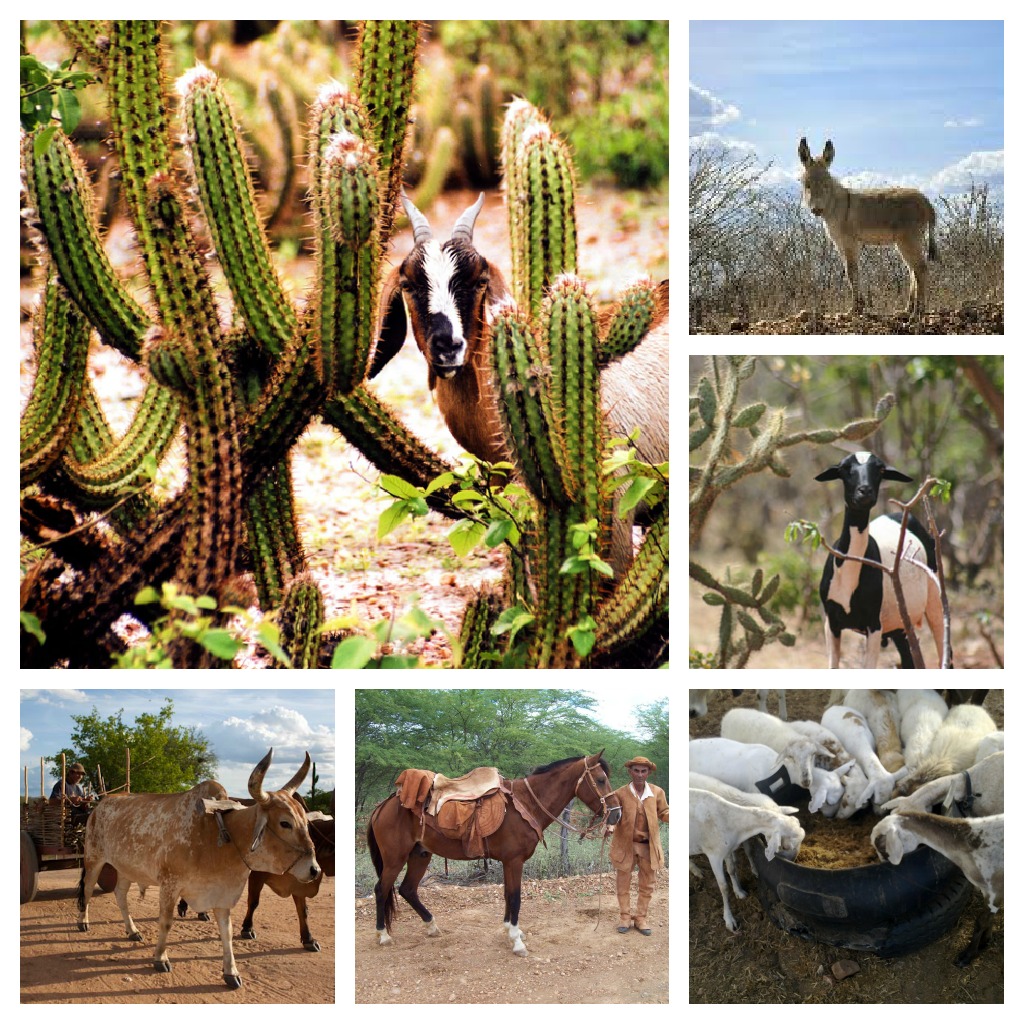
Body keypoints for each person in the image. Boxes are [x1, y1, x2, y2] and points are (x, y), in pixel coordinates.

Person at [608, 755, 669, 936]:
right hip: (625, 846)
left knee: (647, 884)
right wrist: (609, 826)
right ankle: (625, 917)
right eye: (636, 770)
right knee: (623, 883)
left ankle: (641, 918)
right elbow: (613, 815)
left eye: (643, 771)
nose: (640, 774)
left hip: (648, 847)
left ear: (648, 772)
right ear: (630, 771)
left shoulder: (657, 792)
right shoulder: (619, 793)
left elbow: (664, 811)